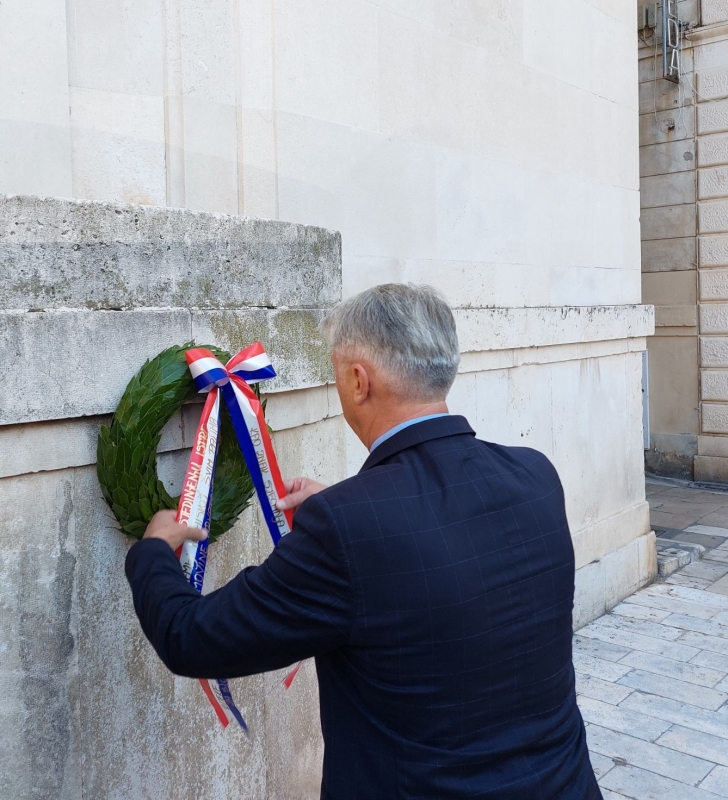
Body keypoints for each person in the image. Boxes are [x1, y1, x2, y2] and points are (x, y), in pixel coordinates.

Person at [126, 283, 601, 799]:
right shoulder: (535, 476)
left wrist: (153, 550)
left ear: (358, 381)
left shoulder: (346, 530)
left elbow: (192, 638)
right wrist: (361, 507)